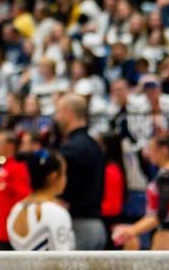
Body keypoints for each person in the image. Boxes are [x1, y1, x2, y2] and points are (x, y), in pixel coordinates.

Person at [55, 93, 105, 249]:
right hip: (97, 226)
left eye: (58, 112)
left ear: (68, 112)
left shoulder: (71, 149)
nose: (56, 118)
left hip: (77, 226)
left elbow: (64, 191)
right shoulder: (95, 145)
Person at [112, 135, 169, 251]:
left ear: (164, 150)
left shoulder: (167, 175)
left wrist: (132, 230)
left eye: (151, 149)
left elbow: (161, 213)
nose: (148, 154)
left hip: (167, 234)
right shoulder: (165, 174)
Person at [7, 148, 74, 251]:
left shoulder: (16, 209)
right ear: (53, 176)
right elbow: (64, 259)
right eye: (64, 173)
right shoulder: (56, 213)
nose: (66, 179)